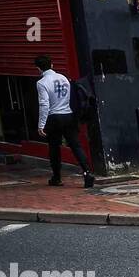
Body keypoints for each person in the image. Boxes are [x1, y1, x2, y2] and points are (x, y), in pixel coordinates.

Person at [35, 54, 95, 188]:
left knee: (54, 148)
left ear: (38, 69)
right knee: (76, 145)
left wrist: (41, 124)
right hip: (68, 115)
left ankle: (57, 177)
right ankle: (87, 173)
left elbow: (44, 104)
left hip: (54, 117)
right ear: (52, 65)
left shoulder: (41, 83)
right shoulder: (63, 78)